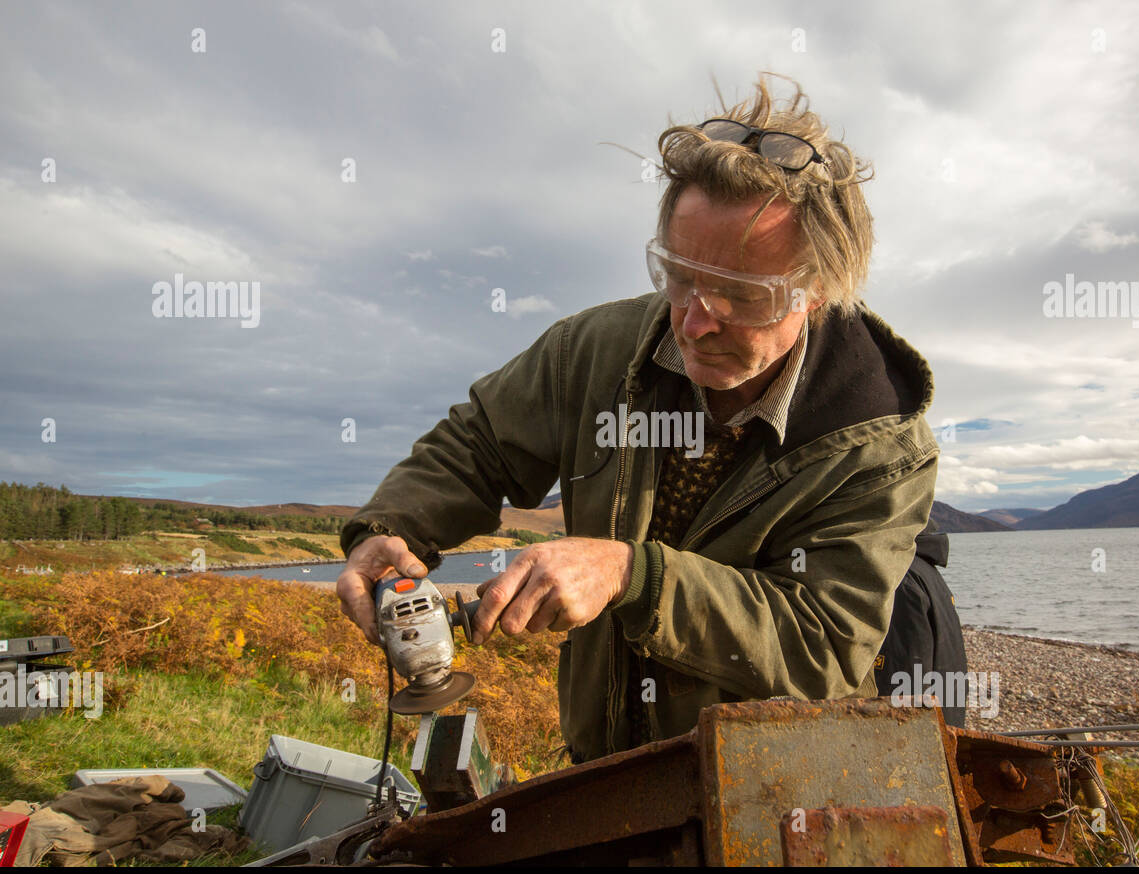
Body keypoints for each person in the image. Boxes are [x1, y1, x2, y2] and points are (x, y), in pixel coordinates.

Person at [336, 74, 940, 763]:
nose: (694, 321)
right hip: (606, 763)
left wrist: (633, 575)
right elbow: (479, 443)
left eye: (741, 295)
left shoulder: (880, 446)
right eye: (678, 274)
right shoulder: (593, 350)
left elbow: (821, 643)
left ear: (821, 289)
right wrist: (392, 527)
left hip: (773, 780)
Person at [875, 519, 969, 728]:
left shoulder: (901, 577)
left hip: (920, 730)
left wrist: (895, 729)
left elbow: (901, 668)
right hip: (944, 717)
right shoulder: (925, 571)